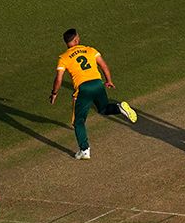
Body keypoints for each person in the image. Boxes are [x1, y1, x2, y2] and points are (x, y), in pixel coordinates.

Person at [49, 29, 137, 159]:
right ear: (76, 40)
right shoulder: (90, 50)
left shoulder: (64, 58)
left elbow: (59, 79)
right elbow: (104, 66)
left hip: (83, 88)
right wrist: (108, 80)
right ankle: (119, 108)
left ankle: (84, 150)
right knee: (104, 108)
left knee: (78, 121)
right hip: (97, 83)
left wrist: (54, 93)